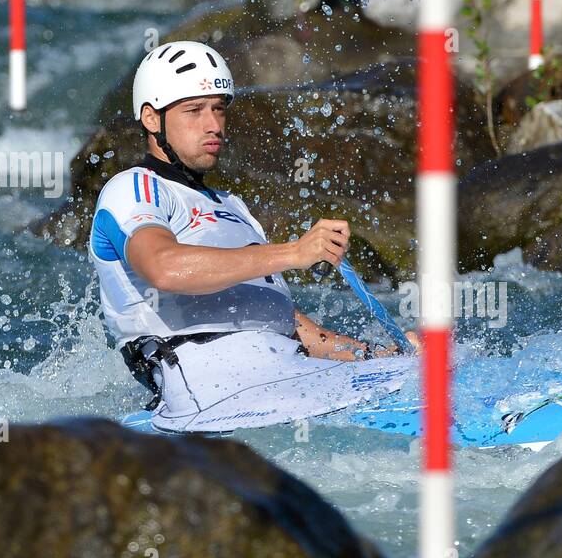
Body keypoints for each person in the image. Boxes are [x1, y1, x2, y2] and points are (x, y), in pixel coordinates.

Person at [88, 40, 419, 433]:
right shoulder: (134, 189)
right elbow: (163, 268)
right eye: (193, 111)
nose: (213, 125)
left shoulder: (234, 206)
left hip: (285, 370)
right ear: (151, 119)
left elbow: (293, 327)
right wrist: (294, 252)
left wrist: (384, 355)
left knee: (434, 371)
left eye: (218, 109)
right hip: (209, 388)